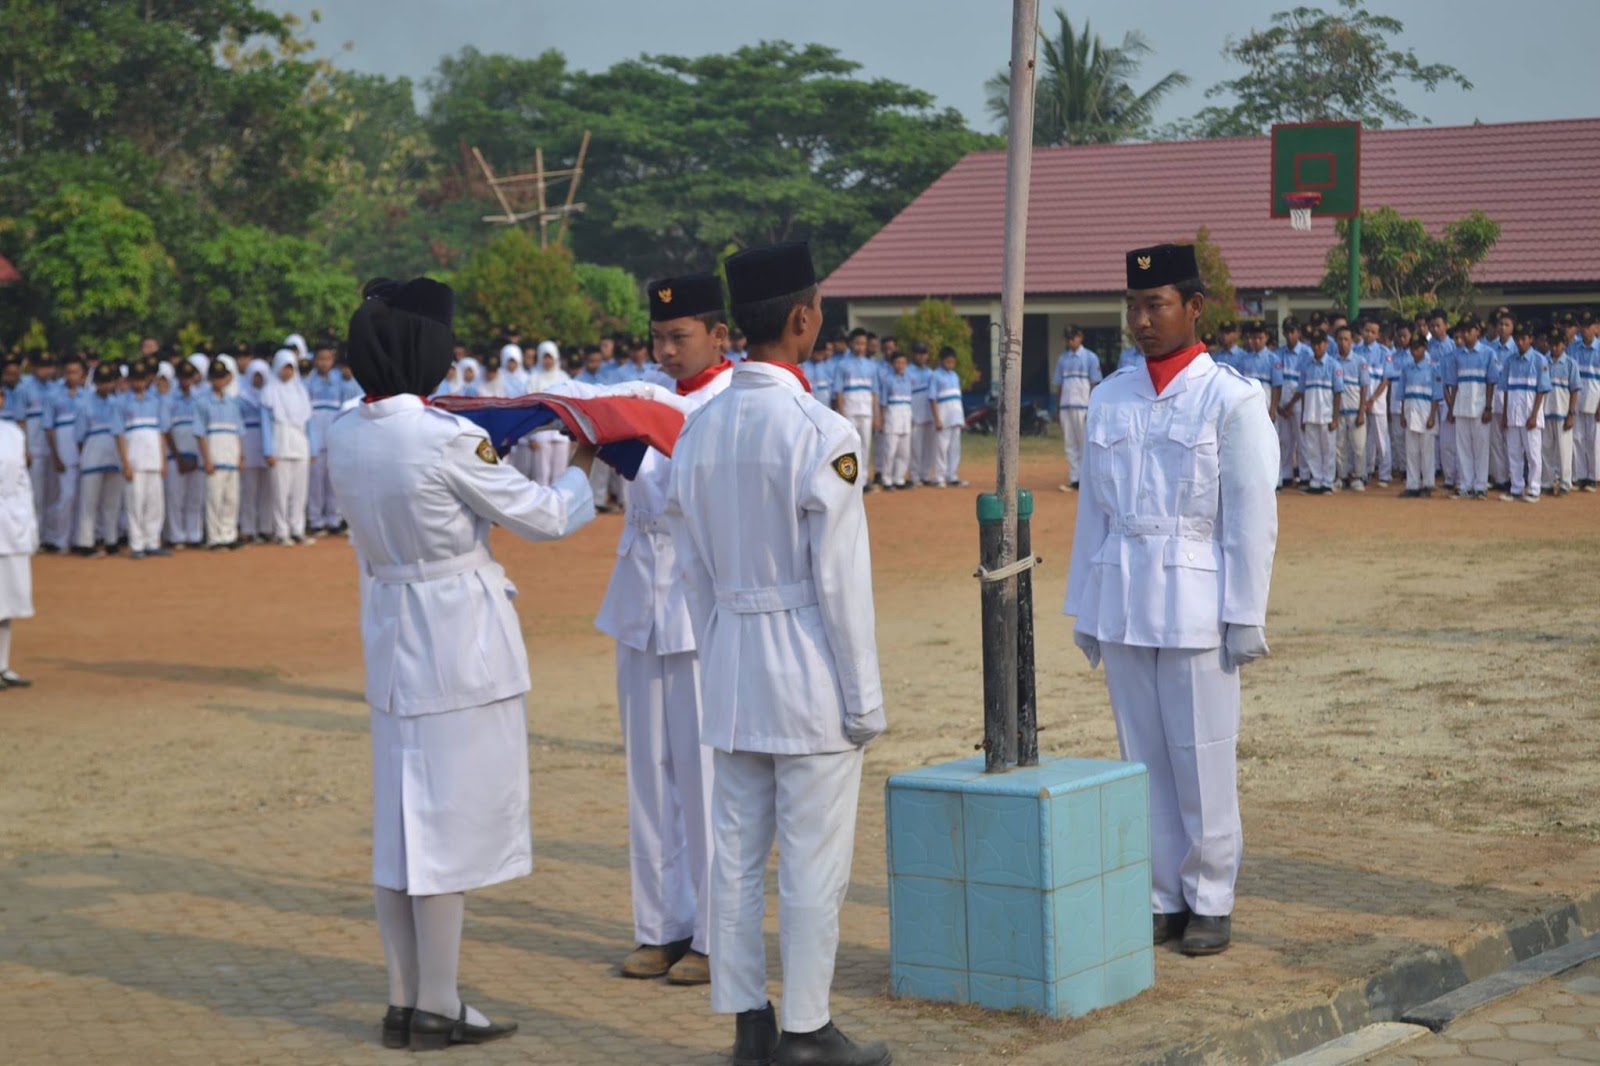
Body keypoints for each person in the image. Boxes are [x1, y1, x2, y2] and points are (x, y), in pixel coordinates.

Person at [328, 277, 599, 1052]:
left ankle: (404, 999)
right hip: (458, 641)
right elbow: (544, 518)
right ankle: (439, 1005)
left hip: (391, 634)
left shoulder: (345, 431)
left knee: (400, 831)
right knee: (444, 830)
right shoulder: (444, 437)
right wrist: (582, 464)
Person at [669, 242, 891, 1066]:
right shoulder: (820, 430)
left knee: (733, 859)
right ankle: (807, 1028)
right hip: (804, 668)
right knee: (811, 861)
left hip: (730, 664)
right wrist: (863, 699)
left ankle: (749, 1025)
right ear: (804, 320)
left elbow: (691, 574)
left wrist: (719, 650)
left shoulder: (700, 429)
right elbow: (840, 581)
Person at [1065, 243, 1277, 959]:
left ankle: (1211, 895)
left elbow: (1251, 517)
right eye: (1134, 306)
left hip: (1195, 598)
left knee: (1201, 753)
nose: (1142, 319)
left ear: (1195, 307)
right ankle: (1162, 895)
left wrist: (1246, 613)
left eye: (1156, 305)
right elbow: (1092, 510)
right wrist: (1083, 606)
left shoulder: (1233, 399)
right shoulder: (1111, 395)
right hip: (1124, 592)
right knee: (1142, 756)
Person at [571, 273, 735, 986]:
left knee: (704, 778)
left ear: (719, 336)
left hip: (700, 603)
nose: (665, 351)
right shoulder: (639, 398)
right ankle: (658, 926)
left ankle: (713, 932)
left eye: (680, 337)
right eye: (658, 338)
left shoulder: (735, 400)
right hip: (641, 596)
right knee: (648, 773)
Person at [74, 363, 131, 558]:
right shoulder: (84, 403)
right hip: (92, 454)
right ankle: (86, 542)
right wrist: (85, 456)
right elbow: (79, 437)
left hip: (113, 455)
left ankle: (111, 540)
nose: (105, 386)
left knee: (112, 502)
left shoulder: (117, 403)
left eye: (109, 381)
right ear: (95, 382)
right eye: (101, 382)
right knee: (89, 502)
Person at [0, 381, 35, 687]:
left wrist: (28, 524)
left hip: (11, 522)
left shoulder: (13, 433)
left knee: (8, 600)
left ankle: (3, 665)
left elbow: (23, 481)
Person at [118, 363, 171, 559]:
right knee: (135, 502)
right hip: (134, 460)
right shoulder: (122, 402)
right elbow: (119, 435)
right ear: (130, 380)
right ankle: (137, 543)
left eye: (143, 378)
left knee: (155, 503)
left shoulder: (157, 401)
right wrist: (125, 462)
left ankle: (152, 541)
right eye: (136, 378)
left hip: (154, 459)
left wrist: (163, 460)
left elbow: (162, 433)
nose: (139, 382)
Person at [306, 338, 357, 535]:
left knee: (333, 481)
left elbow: (348, 407)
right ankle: (316, 519)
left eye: (328, 359)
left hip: (335, 437)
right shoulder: (309, 383)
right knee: (316, 481)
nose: (324, 363)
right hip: (316, 438)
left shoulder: (341, 382)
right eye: (320, 359)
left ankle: (334, 518)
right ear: (315, 360)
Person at [1498, 323, 1551, 503]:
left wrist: (1535, 415)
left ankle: (1534, 489)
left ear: (1531, 340)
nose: (1520, 342)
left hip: (1530, 415)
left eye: (1524, 339)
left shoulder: (1539, 360)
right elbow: (1505, 389)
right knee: (1514, 453)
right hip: (1513, 413)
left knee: (1533, 454)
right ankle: (1516, 488)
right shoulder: (1510, 361)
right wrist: (1504, 414)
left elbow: (1541, 390)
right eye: (1518, 339)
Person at [1445, 316, 1496, 500]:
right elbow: (1453, 384)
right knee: (1463, 448)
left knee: (1481, 448)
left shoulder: (1488, 353)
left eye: (1469, 331)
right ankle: (1466, 484)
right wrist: (1451, 408)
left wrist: (1489, 407)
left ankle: (1480, 486)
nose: (1465, 335)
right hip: (1461, 407)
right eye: (1463, 331)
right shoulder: (1457, 356)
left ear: (1477, 331)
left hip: (1480, 406)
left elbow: (1491, 382)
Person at [196, 360, 245, 547]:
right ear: (209, 379)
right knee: (214, 499)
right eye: (215, 377)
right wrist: (206, 459)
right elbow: (199, 434)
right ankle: (214, 537)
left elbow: (239, 432)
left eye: (222, 377)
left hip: (231, 455)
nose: (219, 381)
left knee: (231, 499)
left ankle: (228, 534)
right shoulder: (202, 403)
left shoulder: (232, 404)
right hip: (215, 456)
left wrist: (241, 456)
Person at [41, 356, 87, 554]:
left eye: (76, 372)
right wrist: (56, 456)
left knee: (81, 497)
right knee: (66, 496)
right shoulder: (54, 395)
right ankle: (60, 539)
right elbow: (49, 428)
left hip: (84, 448)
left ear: (82, 374)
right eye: (68, 372)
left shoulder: (87, 395)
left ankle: (78, 538)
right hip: (64, 448)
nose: (72, 376)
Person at [1053, 326, 1102, 492]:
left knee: (1084, 444)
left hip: (1083, 406)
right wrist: (1058, 408)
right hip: (1066, 406)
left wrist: (1093, 407)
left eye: (1073, 338)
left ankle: (1087, 481)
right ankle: (1075, 480)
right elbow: (1059, 385)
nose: (1070, 341)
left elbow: (1094, 384)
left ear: (1080, 337)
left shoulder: (1090, 357)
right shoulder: (1062, 359)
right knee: (1070, 444)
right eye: (1067, 338)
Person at [1293, 329, 1342, 495]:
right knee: (1312, 449)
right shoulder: (1307, 365)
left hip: (1327, 415)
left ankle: (1327, 481)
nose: (1317, 347)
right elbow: (1303, 392)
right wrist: (1303, 416)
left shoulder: (1334, 366)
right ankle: (1316, 480)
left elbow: (1338, 393)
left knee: (1328, 449)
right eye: (1314, 344)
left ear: (1326, 344)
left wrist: (1335, 417)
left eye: (1320, 343)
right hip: (1310, 413)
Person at [832, 329, 880, 492]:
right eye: (858, 343)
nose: (861, 347)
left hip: (866, 412)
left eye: (864, 344)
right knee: (848, 446)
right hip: (849, 411)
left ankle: (864, 480)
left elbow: (875, 393)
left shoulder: (872, 366)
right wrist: (842, 413)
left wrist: (876, 416)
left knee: (865, 446)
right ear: (851, 344)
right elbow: (838, 391)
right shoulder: (842, 365)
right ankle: (848, 481)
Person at [164, 361, 205, 548]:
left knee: (195, 497)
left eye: (189, 377)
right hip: (176, 455)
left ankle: (194, 534)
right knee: (175, 498)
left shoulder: (200, 398)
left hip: (197, 454)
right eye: (183, 377)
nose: (186, 381)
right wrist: (178, 456)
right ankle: (176, 535)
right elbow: (167, 429)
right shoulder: (169, 399)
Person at [1395, 336, 1441, 497]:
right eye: (1413, 348)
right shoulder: (1406, 370)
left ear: (1425, 348)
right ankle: (1412, 484)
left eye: (1418, 348)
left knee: (1427, 451)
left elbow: (1436, 396)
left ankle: (1428, 484)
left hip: (1426, 412)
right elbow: (1402, 394)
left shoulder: (1433, 369)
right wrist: (1402, 415)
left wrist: (1432, 416)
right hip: (1410, 411)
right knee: (1412, 451)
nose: (1415, 351)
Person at [1355, 318, 1395, 486]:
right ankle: (1365, 471)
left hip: (1377, 401)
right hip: (1359, 400)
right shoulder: (1355, 351)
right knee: (1363, 439)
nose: (1369, 334)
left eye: (1373, 331)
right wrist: (1363, 402)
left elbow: (1386, 379)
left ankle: (1385, 473)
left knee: (1381, 437)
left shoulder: (1385, 353)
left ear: (1378, 335)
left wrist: (1372, 399)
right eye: (1366, 330)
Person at [524, 343, 571, 486]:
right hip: (540, 431)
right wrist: (531, 436)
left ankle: (558, 506)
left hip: (561, 431)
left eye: (550, 357)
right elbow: (529, 408)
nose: (548, 361)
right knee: (541, 474)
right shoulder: (533, 378)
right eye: (545, 357)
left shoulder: (564, 377)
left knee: (560, 474)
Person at [1332, 325, 1369, 491]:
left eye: (1346, 339)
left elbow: (1364, 388)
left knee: (1359, 447)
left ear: (1352, 341)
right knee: (1339, 447)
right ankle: (1342, 476)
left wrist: (1362, 412)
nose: (1343, 342)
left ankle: (1359, 476)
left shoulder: (1360, 362)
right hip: (1338, 411)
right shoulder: (1332, 361)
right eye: (1340, 339)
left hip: (1355, 411)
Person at [1543, 330, 1579, 496]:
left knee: (1565, 450)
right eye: (1552, 343)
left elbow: (1574, 390)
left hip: (1563, 412)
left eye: (1558, 343)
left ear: (1564, 344)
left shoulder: (1571, 364)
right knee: (1546, 449)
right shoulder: (1543, 362)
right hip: (1546, 412)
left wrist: (1571, 413)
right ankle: (1547, 481)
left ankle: (1565, 483)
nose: (1554, 347)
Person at [1275, 319, 1309, 488]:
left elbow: (1304, 383)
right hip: (1282, 402)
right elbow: (1277, 380)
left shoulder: (1307, 353)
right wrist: (1280, 406)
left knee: (1302, 440)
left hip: (1299, 401)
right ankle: (1286, 473)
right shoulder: (1278, 353)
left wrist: (1291, 403)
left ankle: (1304, 475)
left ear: (1299, 333)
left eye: (1293, 331)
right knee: (1284, 440)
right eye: (1287, 331)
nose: (1289, 335)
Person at [929, 346, 967, 488]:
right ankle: (939, 476)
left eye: (953, 362)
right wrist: (937, 419)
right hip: (943, 417)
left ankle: (952, 475)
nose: (950, 364)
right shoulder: (935, 376)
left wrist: (961, 419)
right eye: (948, 362)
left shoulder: (955, 376)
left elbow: (957, 399)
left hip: (955, 417)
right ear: (941, 361)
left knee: (955, 447)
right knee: (941, 447)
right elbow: (932, 398)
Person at [878, 351, 914, 489]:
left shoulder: (908, 379)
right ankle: (887, 479)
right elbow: (883, 403)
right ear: (892, 364)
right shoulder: (888, 380)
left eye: (903, 363)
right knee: (890, 450)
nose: (900, 365)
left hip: (906, 414)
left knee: (904, 451)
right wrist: (881, 420)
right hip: (892, 415)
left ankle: (899, 478)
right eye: (898, 362)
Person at [1574, 312, 1600, 491]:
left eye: (1589, 325)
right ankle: (1580, 475)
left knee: (1594, 440)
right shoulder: (1574, 348)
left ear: (1596, 327)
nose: (1585, 329)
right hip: (1577, 401)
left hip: (1594, 400)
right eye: (1583, 325)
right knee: (1577, 439)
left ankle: (1593, 476)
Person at [907, 342, 935, 486]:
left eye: (924, 353)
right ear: (914, 354)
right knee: (915, 447)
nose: (922, 356)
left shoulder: (930, 373)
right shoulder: (908, 371)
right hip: (915, 414)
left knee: (928, 447)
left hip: (928, 415)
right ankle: (914, 475)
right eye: (919, 353)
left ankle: (925, 474)